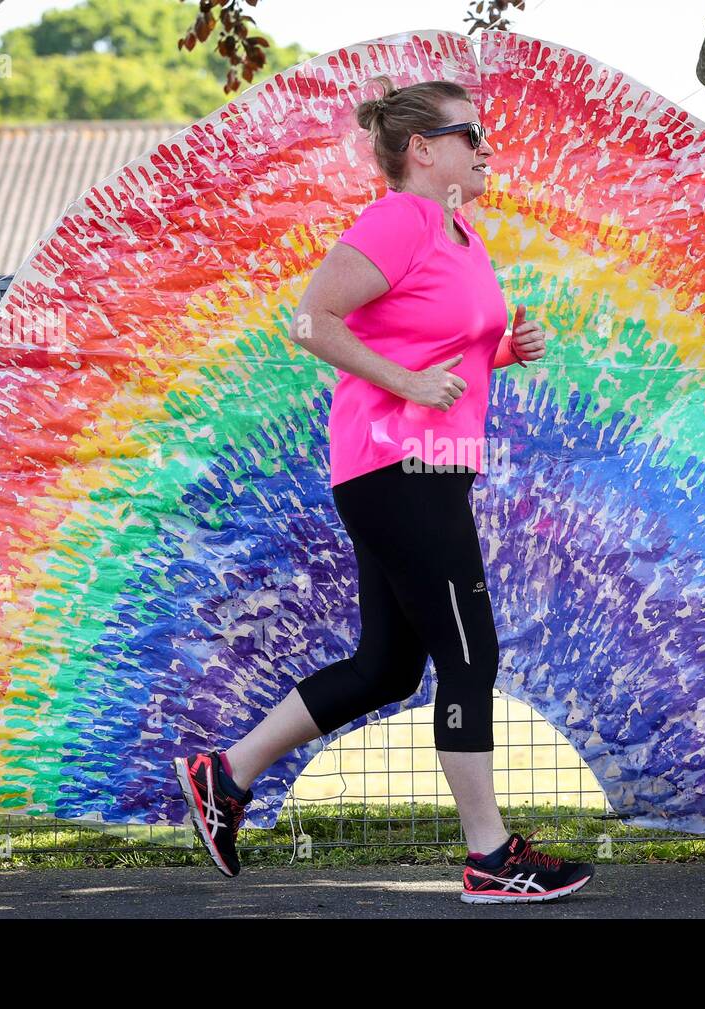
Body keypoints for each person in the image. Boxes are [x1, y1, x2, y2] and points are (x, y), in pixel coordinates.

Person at [174, 74, 594, 904]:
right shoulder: (398, 219)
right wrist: (406, 381)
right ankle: (490, 857)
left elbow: (436, 343)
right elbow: (312, 320)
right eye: (471, 135)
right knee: (469, 652)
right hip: (398, 466)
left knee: (387, 667)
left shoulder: (457, 229)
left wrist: (504, 351)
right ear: (422, 150)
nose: (486, 147)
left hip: (423, 468)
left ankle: (226, 776)